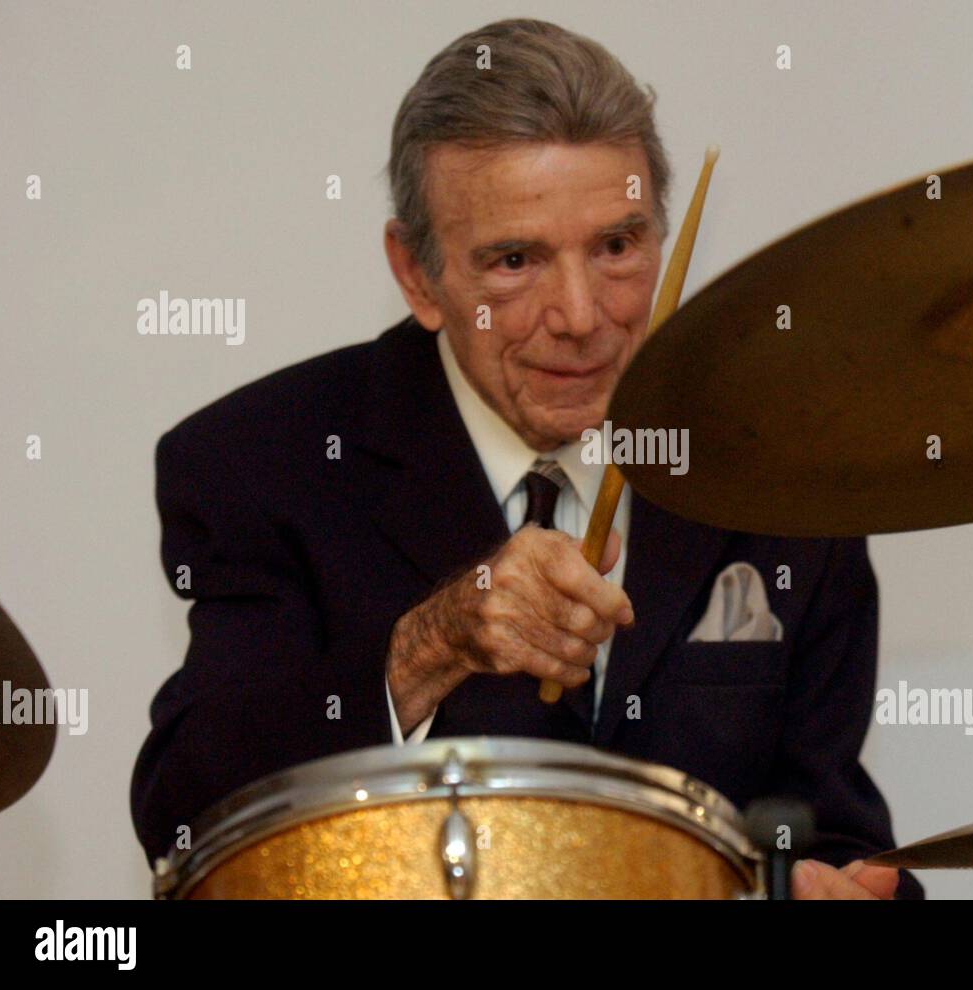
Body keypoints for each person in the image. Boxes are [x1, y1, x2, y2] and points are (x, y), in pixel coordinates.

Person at [130, 17, 922, 901]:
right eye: (516, 260)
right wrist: (431, 645)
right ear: (417, 277)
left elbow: (833, 829)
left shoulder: (778, 469)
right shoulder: (260, 462)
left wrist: (837, 889)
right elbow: (185, 816)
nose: (582, 315)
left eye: (618, 247)